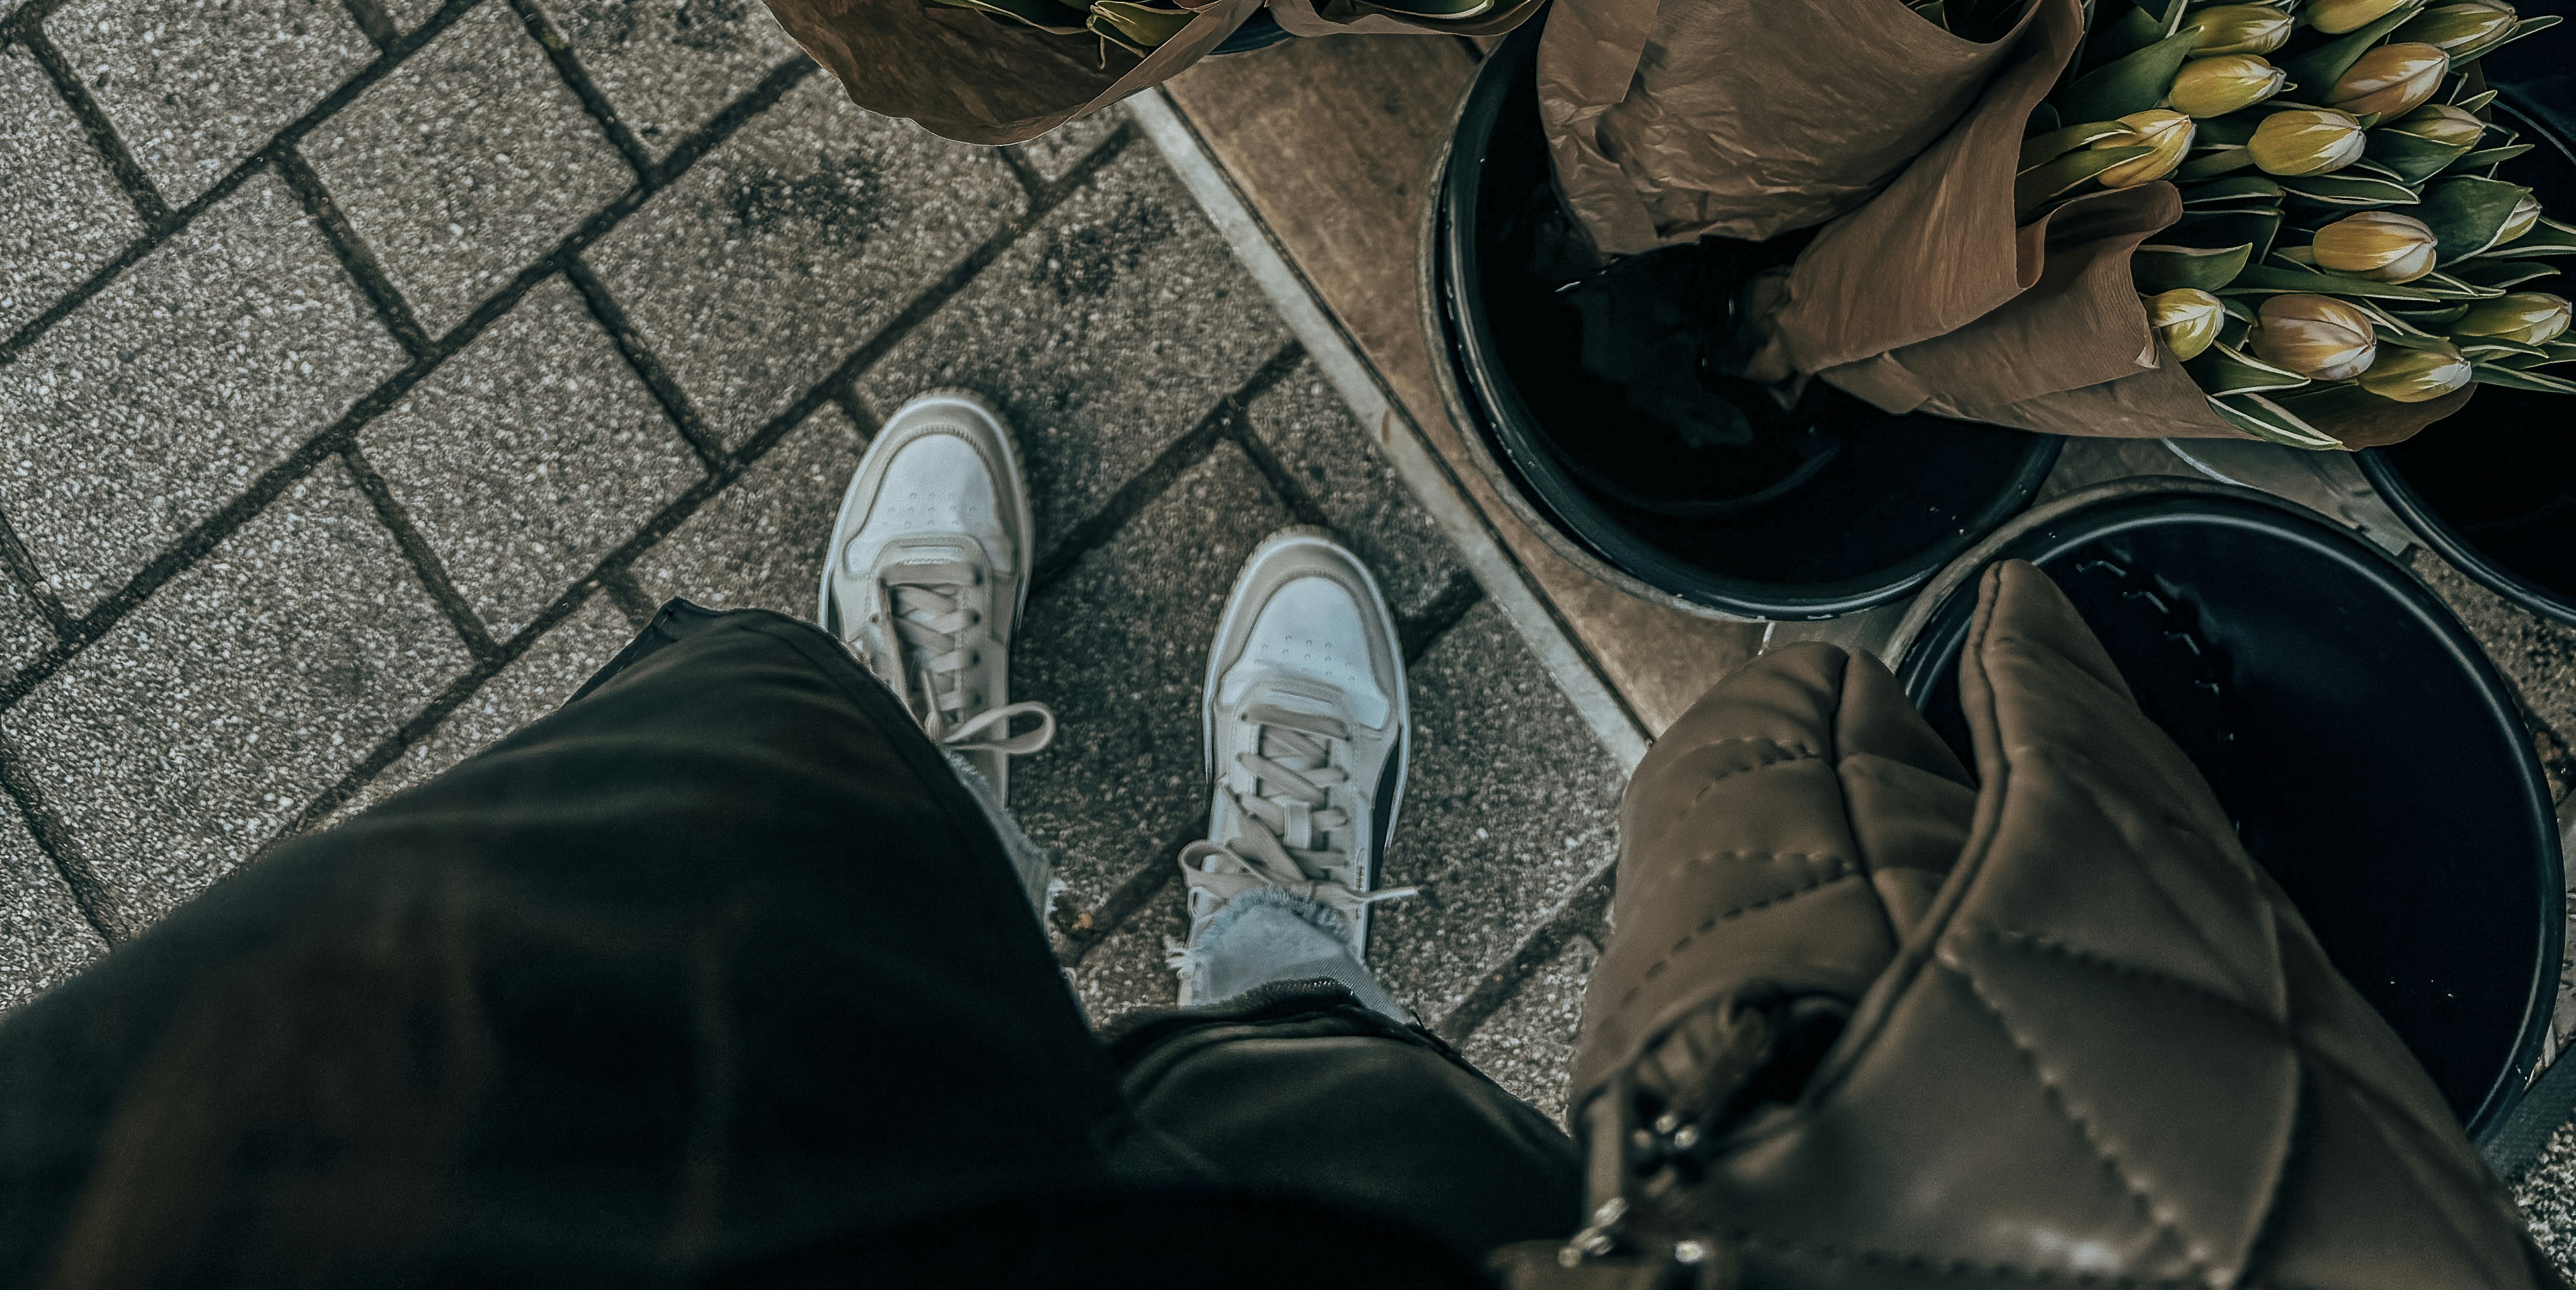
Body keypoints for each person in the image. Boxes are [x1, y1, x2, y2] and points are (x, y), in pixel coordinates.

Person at [0, 391, 2544, 1290]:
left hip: (280, 1215)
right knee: (1333, 1149)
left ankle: (944, 803)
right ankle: (1275, 956)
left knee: (749, 833)